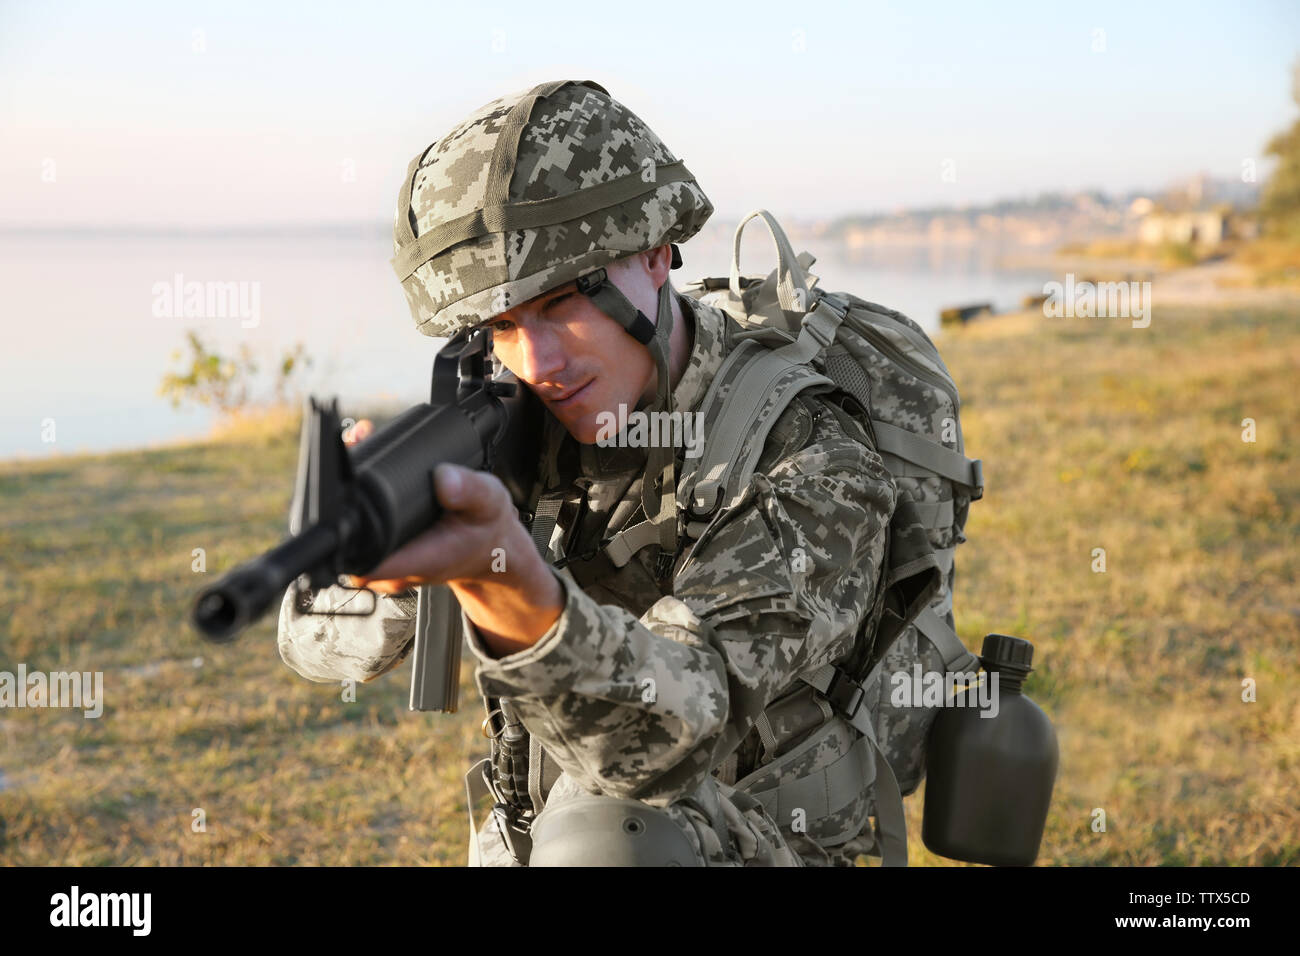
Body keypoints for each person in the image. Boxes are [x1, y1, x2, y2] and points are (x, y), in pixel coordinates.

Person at [277, 79, 901, 866]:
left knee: (613, 836)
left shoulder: (806, 452)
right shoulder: (507, 421)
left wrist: (506, 590)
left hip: (752, 838)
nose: (536, 361)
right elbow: (308, 646)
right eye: (501, 324)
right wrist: (391, 571)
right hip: (547, 835)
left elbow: (667, 742)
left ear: (653, 252)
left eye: (564, 302)